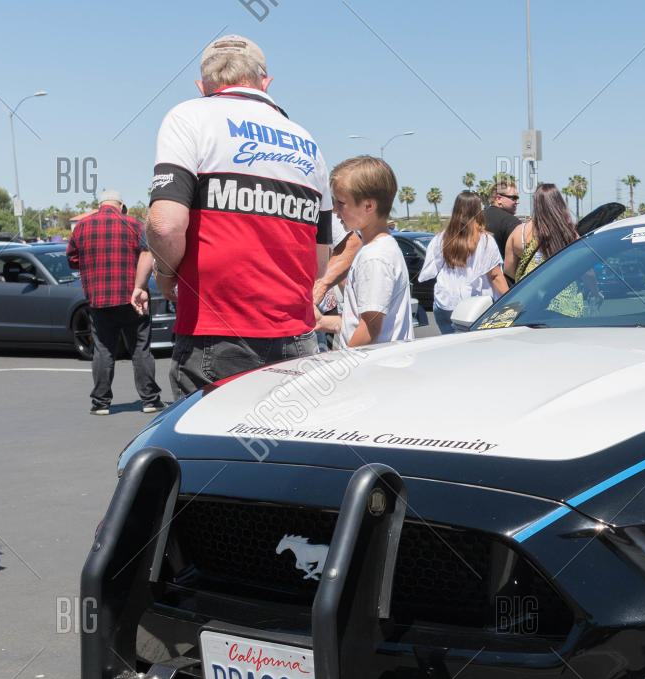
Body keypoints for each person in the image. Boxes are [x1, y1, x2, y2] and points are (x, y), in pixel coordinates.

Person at [145, 35, 331, 396]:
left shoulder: (190, 116)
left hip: (215, 334)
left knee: (213, 450)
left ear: (203, 85)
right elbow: (319, 264)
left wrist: (166, 272)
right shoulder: (308, 143)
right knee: (288, 450)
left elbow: (165, 225)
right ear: (266, 82)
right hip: (296, 336)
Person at [66, 188, 162, 415]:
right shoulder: (134, 224)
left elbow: (72, 259)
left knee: (103, 350)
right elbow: (147, 253)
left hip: (99, 300)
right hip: (133, 299)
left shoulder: (82, 227)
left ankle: (100, 403)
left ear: (101, 205)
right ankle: (150, 400)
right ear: (121, 205)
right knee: (140, 349)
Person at [317, 156, 411, 347]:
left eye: (341, 203)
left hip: (374, 372)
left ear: (369, 206)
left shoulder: (374, 257)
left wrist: (340, 365)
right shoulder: (377, 248)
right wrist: (321, 322)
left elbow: (369, 330)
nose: (334, 210)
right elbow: (360, 323)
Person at [419, 191, 508, 333]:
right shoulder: (485, 241)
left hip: (445, 302)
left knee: (449, 348)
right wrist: (510, 303)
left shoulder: (441, 238)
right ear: (477, 211)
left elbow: (430, 270)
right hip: (473, 306)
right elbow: (495, 276)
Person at [505, 182, 580, 283]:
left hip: (531, 295)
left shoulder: (519, 232)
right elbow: (584, 268)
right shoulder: (569, 233)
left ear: (536, 204)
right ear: (559, 203)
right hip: (564, 292)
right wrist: (595, 291)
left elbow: (509, 270)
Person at [483, 178, 520, 260]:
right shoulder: (512, 222)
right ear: (499, 199)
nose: (518, 202)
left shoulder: (475, 218)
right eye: (514, 198)